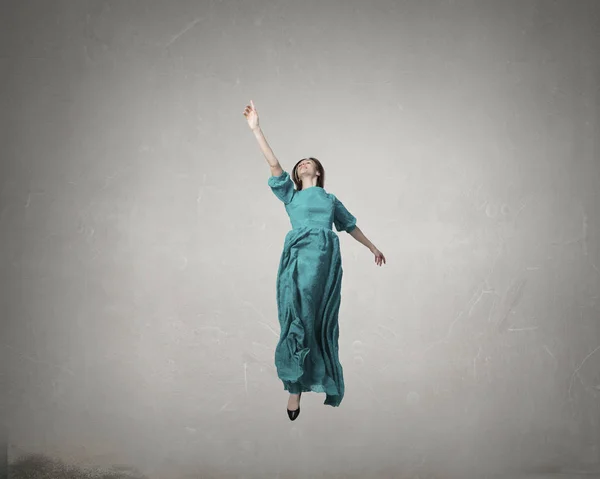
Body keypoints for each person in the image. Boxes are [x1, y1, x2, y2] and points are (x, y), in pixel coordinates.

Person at [243, 100, 386, 420]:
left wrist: (373, 248)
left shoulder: (331, 200)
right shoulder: (290, 195)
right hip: (299, 255)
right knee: (297, 316)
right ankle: (294, 382)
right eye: (299, 164)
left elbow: (350, 227)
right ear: (296, 174)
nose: (302, 164)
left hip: (324, 259)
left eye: (308, 162)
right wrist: (256, 130)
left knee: (317, 320)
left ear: (317, 171)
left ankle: (307, 378)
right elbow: (274, 165)